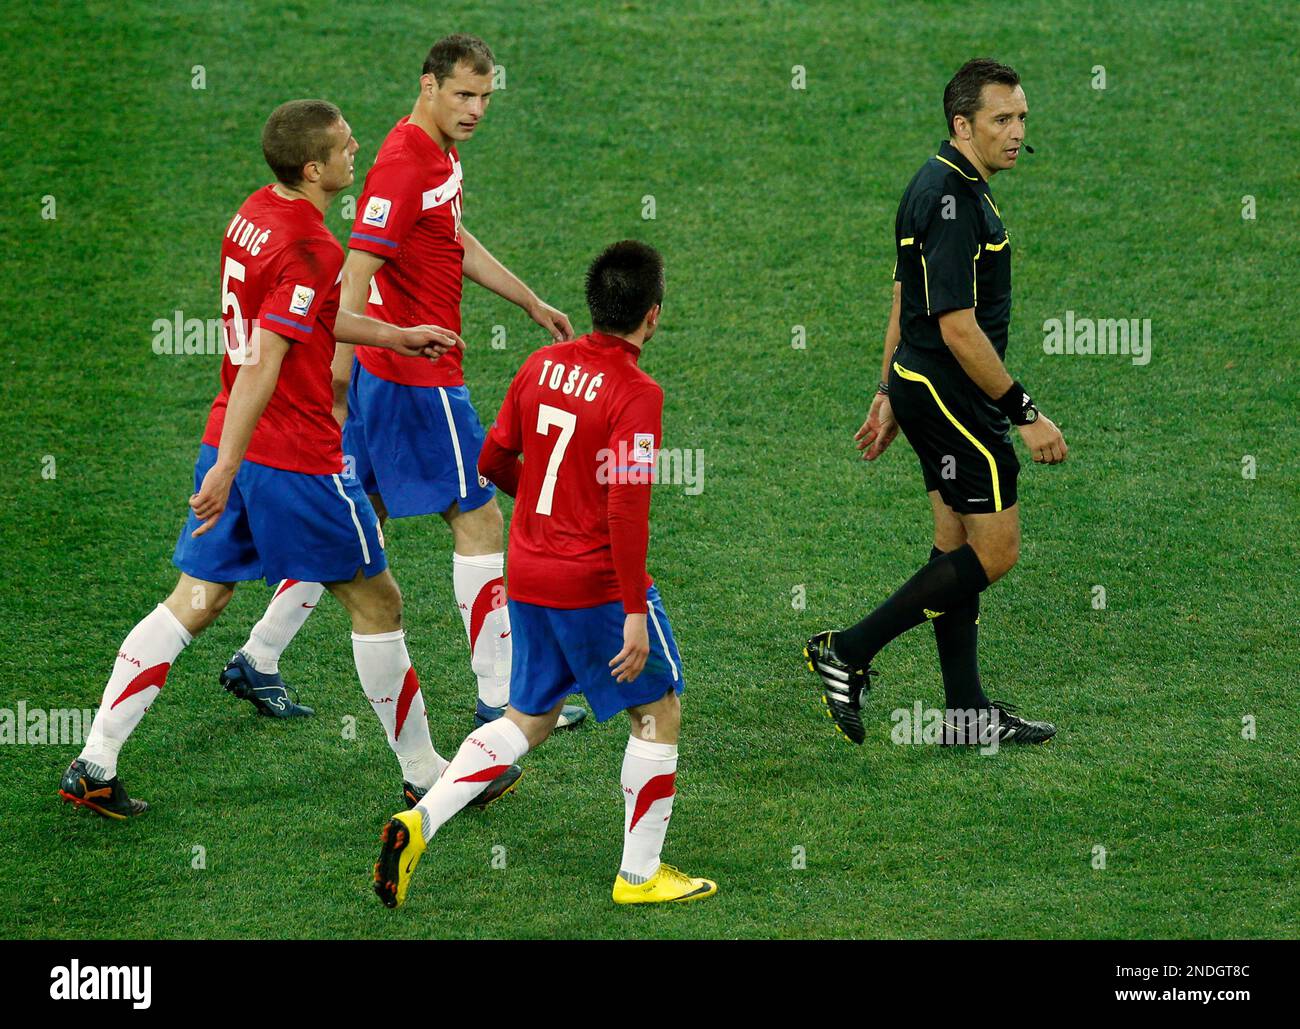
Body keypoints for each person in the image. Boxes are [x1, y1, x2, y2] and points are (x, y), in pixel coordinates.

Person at [58, 100, 519, 818]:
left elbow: (302, 315)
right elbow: (265, 359)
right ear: (313, 168)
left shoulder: (252, 214)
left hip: (231, 437)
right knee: (377, 602)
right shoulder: (311, 248)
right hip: (293, 459)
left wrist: (393, 335)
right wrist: (229, 468)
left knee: (196, 600)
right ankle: (426, 773)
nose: (356, 150)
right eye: (343, 147)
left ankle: (94, 760)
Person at [218, 34, 586, 734]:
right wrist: (339, 377)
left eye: (485, 97)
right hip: (415, 378)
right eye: (464, 95)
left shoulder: (438, 152)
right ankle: (501, 698)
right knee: (479, 519)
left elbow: (450, 236)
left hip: (390, 373)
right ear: (429, 86)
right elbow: (355, 269)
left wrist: (528, 299)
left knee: (361, 522)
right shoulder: (403, 163)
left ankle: (259, 655)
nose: (476, 109)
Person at [371, 241, 716, 908]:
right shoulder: (637, 393)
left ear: (593, 304)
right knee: (657, 710)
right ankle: (640, 876)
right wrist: (634, 609)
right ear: (653, 314)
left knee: (527, 717)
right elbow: (625, 506)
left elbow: (492, 459)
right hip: (594, 585)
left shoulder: (541, 364)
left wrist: (541, 503)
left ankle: (422, 818)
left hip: (529, 573)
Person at [806, 59, 1066, 747]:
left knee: (953, 543)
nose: (1016, 132)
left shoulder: (937, 181)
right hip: (955, 397)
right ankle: (847, 650)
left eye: (1021, 117)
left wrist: (888, 389)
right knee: (995, 550)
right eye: (1001, 119)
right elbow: (956, 327)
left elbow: (904, 297)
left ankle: (965, 713)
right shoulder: (952, 199)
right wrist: (1025, 411)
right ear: (963, 124)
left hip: (922, 386)